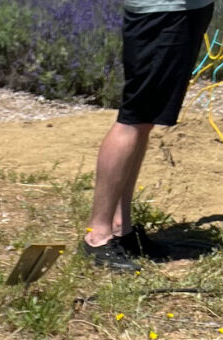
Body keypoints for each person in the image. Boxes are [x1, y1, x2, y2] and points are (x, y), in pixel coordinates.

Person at [80, 0, 215, 271]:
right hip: (162, 14)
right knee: (133, 119)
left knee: (143, 121)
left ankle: (121, 228)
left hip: (180, 11)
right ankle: (98, 235)